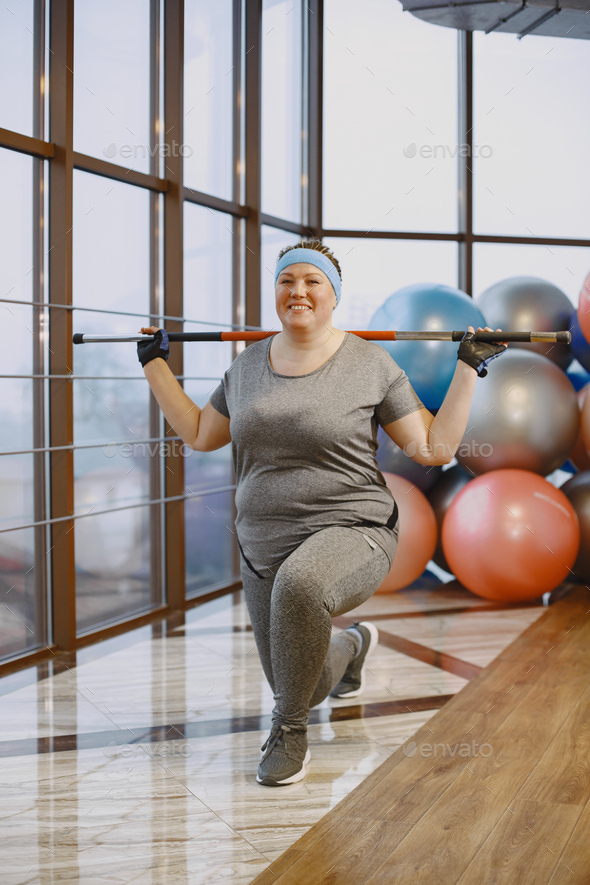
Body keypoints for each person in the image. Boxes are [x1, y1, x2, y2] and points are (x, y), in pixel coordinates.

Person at [137, 239, 506, 787]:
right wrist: (154, 366)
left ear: (333, 295)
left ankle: (288, 733)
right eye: (287, 281)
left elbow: (433, 449)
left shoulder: (370, 364)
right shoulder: (247, 365)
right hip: (263, 544)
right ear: (276, 292)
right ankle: (350, 647)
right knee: (303, 679)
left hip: (354, 529)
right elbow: (199, 433)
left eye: (313, 281)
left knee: (302, 588)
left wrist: (468, 368)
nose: (299, 291)